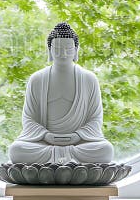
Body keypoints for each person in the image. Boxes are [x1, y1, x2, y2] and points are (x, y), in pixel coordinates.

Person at [8, 22, 114, 164]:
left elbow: (95, 118)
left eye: (68, 49)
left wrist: (78, 136)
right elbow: (29, 118)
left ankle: (55, 160)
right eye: (57, 49)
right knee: (16, 150)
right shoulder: (37, 79)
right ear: (49, 50)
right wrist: (45, 135)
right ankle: (69, 159)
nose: (63, 54)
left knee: (105, 150)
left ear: (76, 50)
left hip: (79, 142)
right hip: (46, 142)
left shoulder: (89, 79)